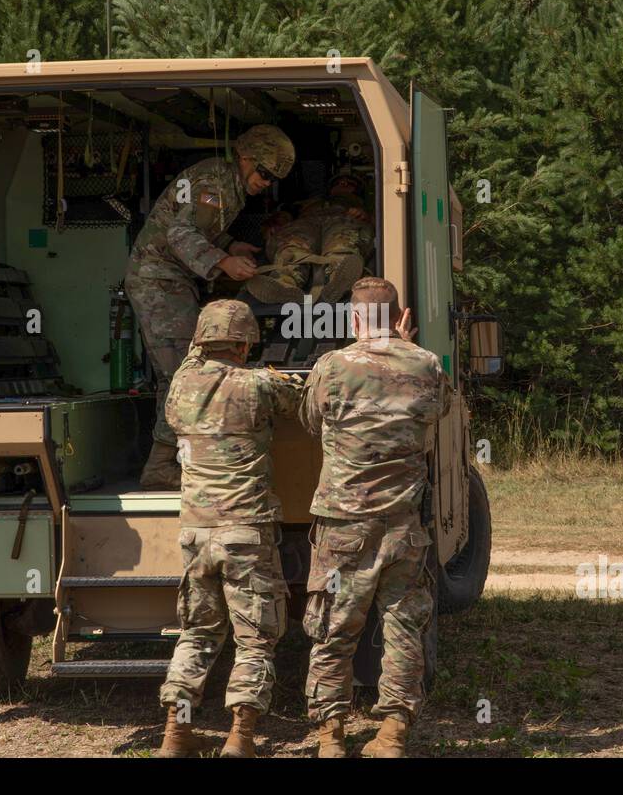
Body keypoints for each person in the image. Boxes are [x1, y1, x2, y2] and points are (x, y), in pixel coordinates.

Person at [298, 277, 453, 757]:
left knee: (333, 629)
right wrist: (406, 348)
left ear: (355, 318)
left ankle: (331, 736)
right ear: (401, 316)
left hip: (343, 526)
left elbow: (310, 420)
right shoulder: (426, 364)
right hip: (405, 526)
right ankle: (393, 734)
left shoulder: (332, 366)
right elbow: (439, 409)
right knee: (403, 625)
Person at [154, 299, 302, 758]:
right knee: (255, 637)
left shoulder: (178, 385)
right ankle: (241, 738)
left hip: (196, 533)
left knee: (197, 634)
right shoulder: (257, 384)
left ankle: (175, 736)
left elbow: (196, 363)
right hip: (245, 531)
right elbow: (305, 402)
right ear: (244, 343)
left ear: (200, 340)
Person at [125, 125, 295, 489]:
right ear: (247, 159)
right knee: (180, 376)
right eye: (265, 173)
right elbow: (179, 235)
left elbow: (195, 226)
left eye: (274, 178)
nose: (267, 182)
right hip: (159, 281)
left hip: (173, 281)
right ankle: (160, 467)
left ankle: (169, 462)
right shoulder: (216, 183)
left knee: (181, 372)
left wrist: (231, 245)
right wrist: (222, 262)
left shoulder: (226, 184)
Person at [246, 173, 372, 304]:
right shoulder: (309, 202)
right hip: (306, 223)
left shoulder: (363, 204)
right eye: (339, 182)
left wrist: (365, 215)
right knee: (292, 245)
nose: (343, 184)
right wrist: (276, 222)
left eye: (350, 183)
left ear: (358, 191)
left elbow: (384, 221)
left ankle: (338, 280)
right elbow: (285, 214)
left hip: (343, 220)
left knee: (343, 243)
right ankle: (284, 283)